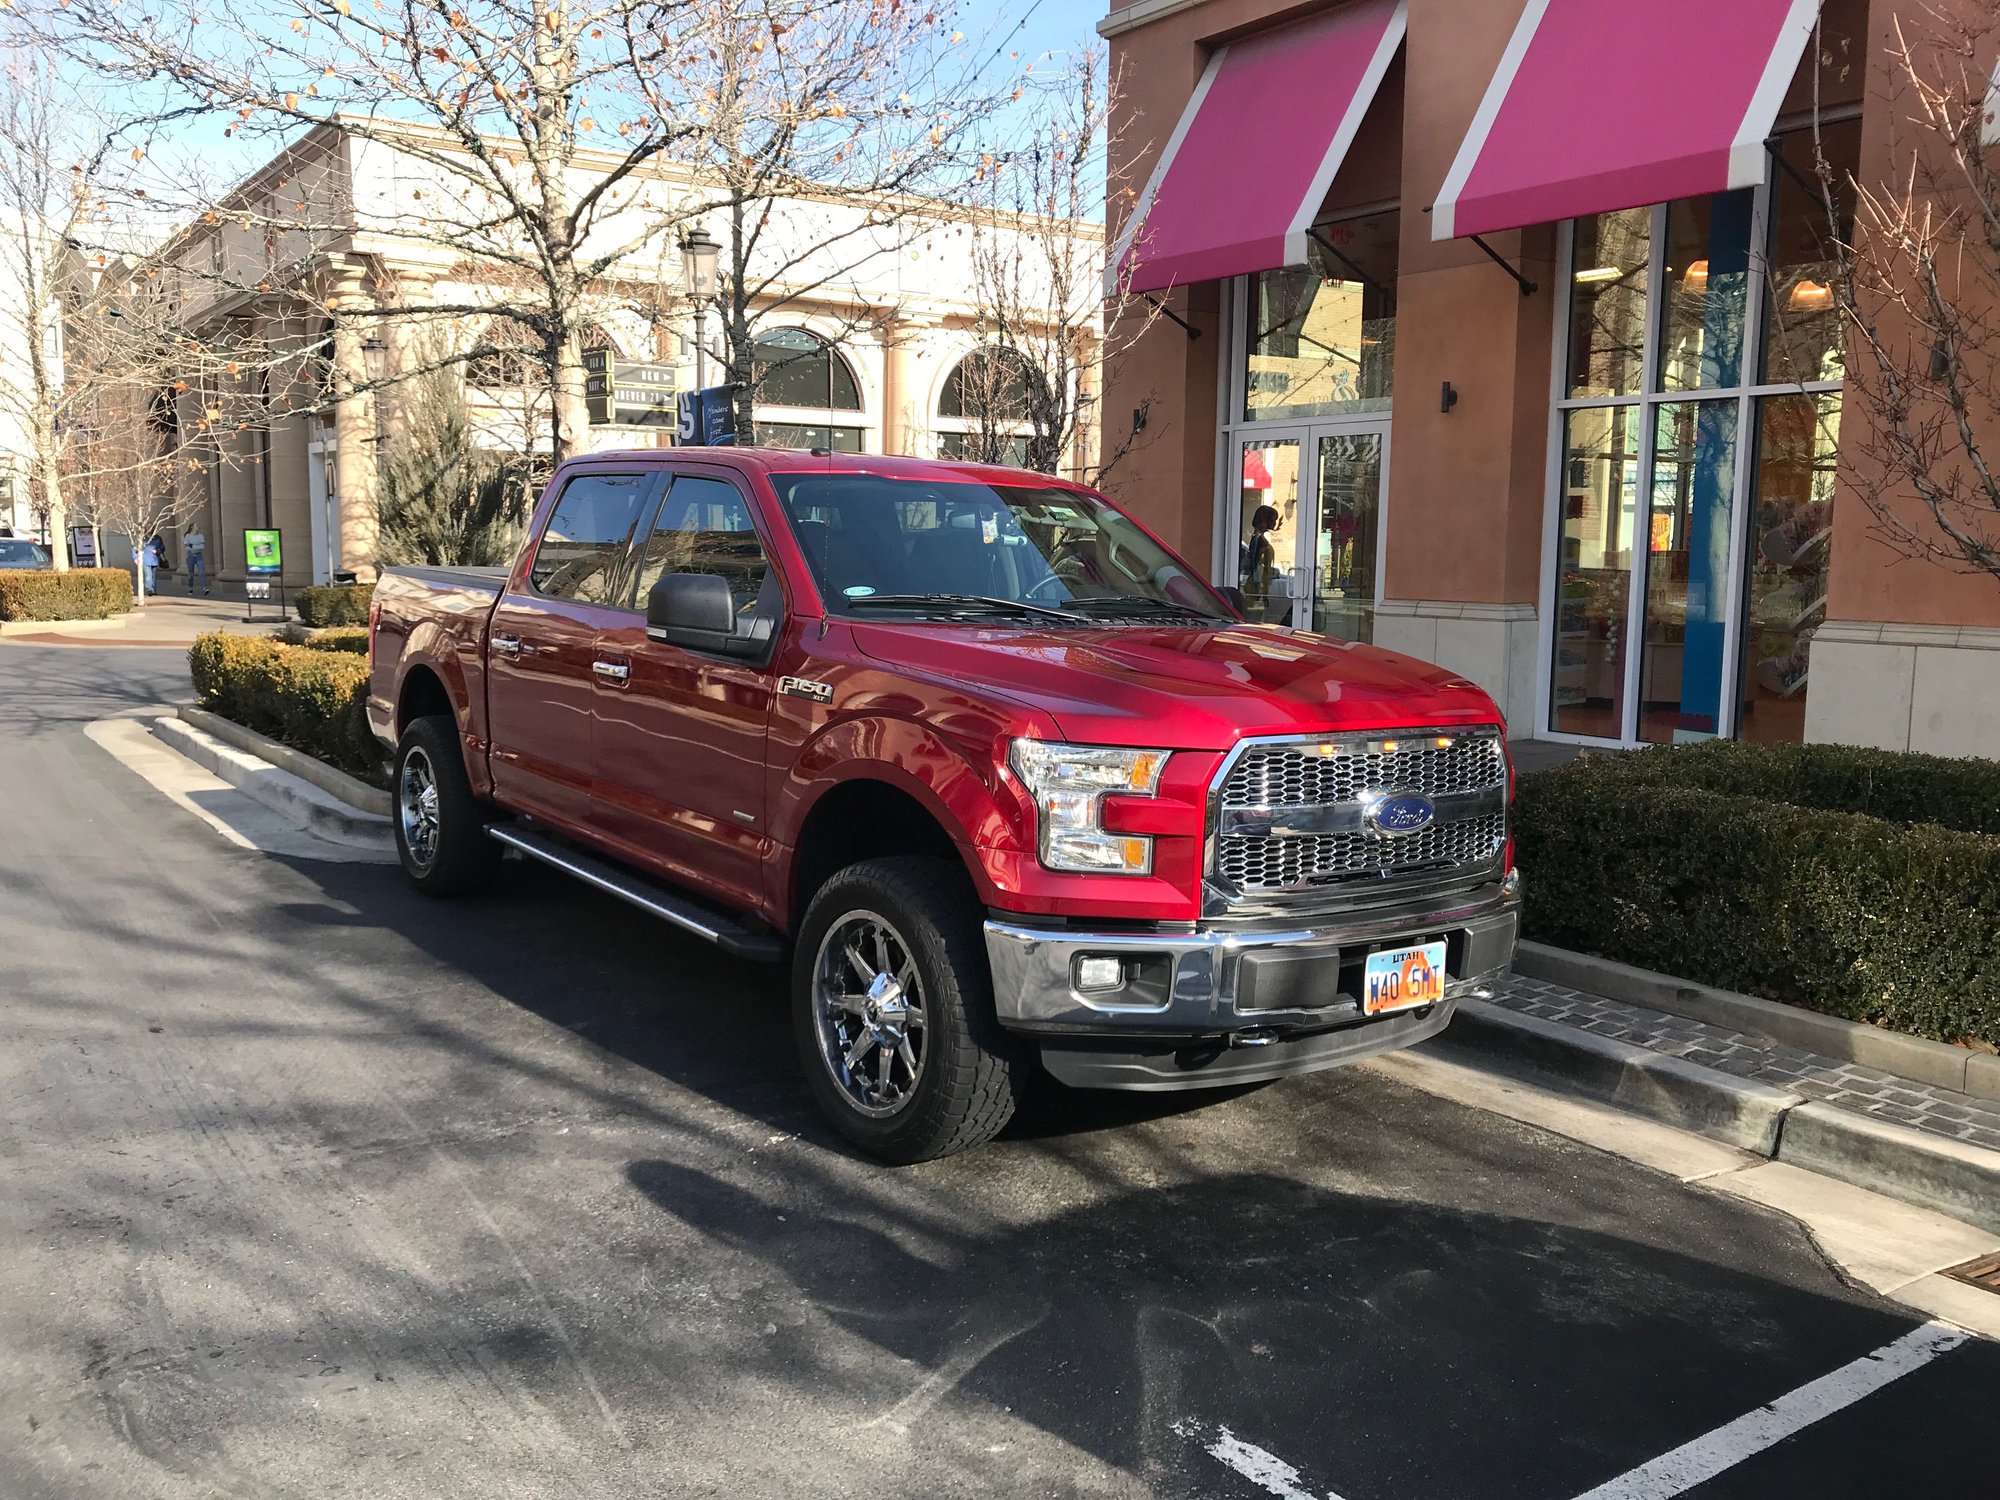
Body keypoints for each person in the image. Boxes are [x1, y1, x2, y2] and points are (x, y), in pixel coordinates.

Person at [183, 523, 209, 595]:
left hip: (199, 555)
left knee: (202, 571)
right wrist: (195, 547)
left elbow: (202, 547)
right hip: (190, 556)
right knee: (191, 573)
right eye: (196, 525)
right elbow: (186, 547)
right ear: (192, 527)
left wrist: (193, 546)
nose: (198, 527)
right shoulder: (188, 536)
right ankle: (190, 588)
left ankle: (204, 587)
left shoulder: (201, 536)